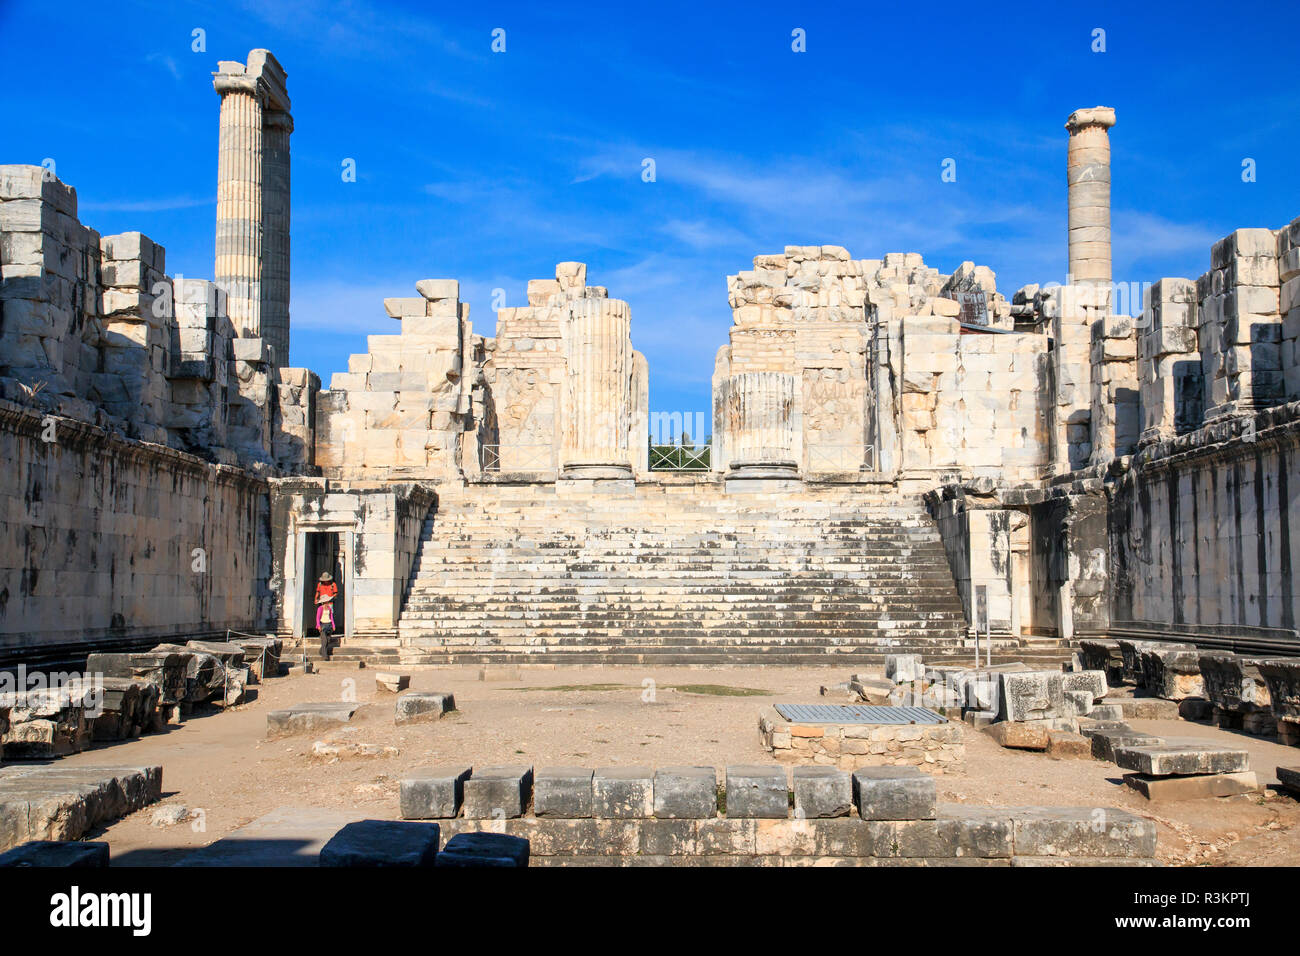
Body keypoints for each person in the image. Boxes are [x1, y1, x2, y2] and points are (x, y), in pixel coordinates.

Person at [315, 572, 338, 660]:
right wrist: (318, 625)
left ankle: (322, 651)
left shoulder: (333, 585)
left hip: (330, 605)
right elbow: (317, 617)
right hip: (322, 624)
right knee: (324, 641)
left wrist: (333, 625)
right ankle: (325, 656)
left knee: (327, 640)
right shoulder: (320, 585)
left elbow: (336, 593)